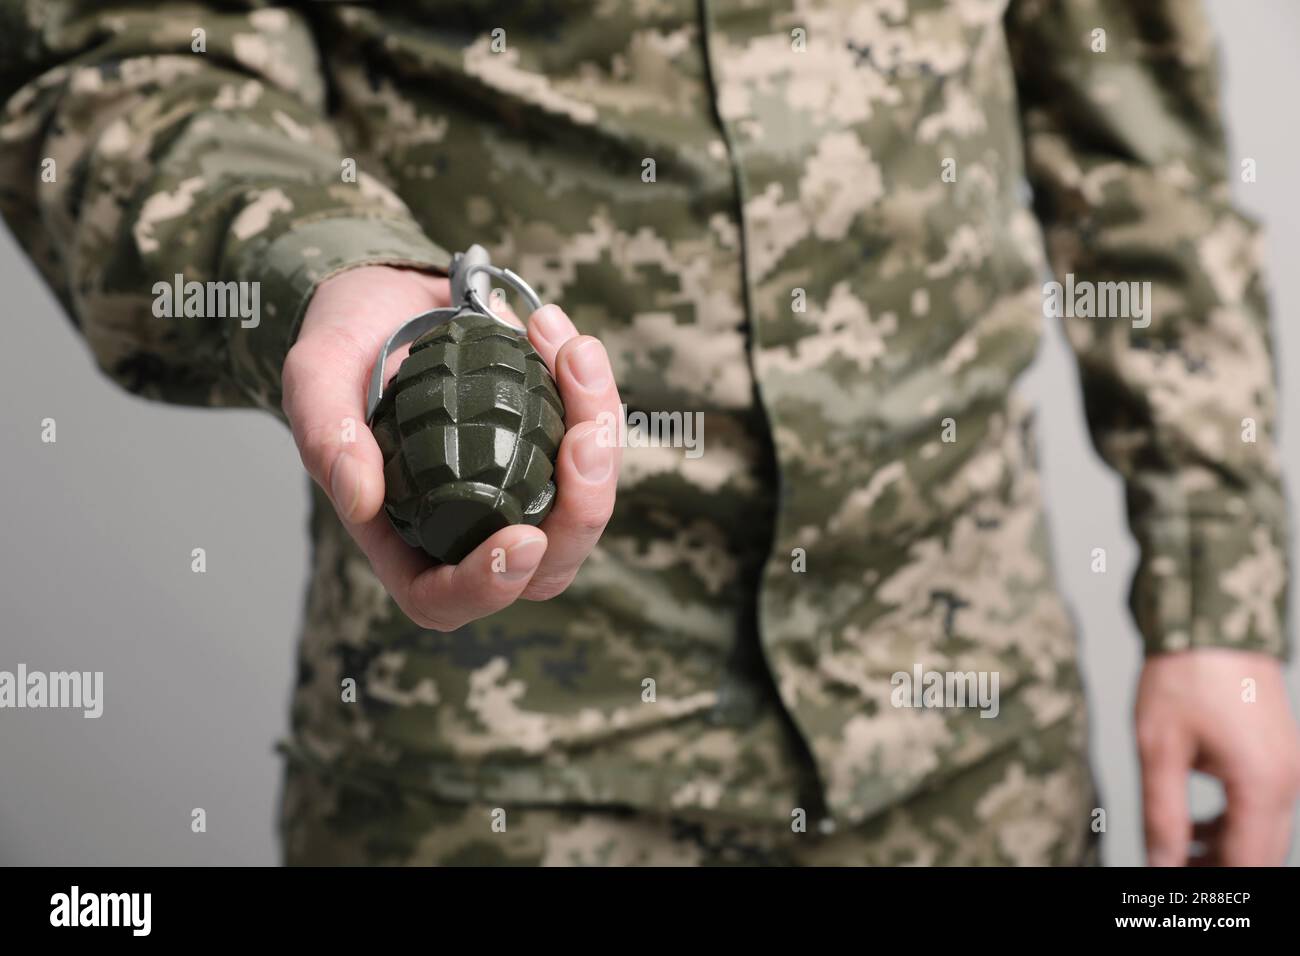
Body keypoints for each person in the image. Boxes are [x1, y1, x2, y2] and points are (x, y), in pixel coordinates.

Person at [2, 0, 1297, 866]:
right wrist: (324, 268)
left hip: (972, 738)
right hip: (504, 768)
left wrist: (1215, 589)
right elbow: (119, 62)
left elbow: (1139, 142)